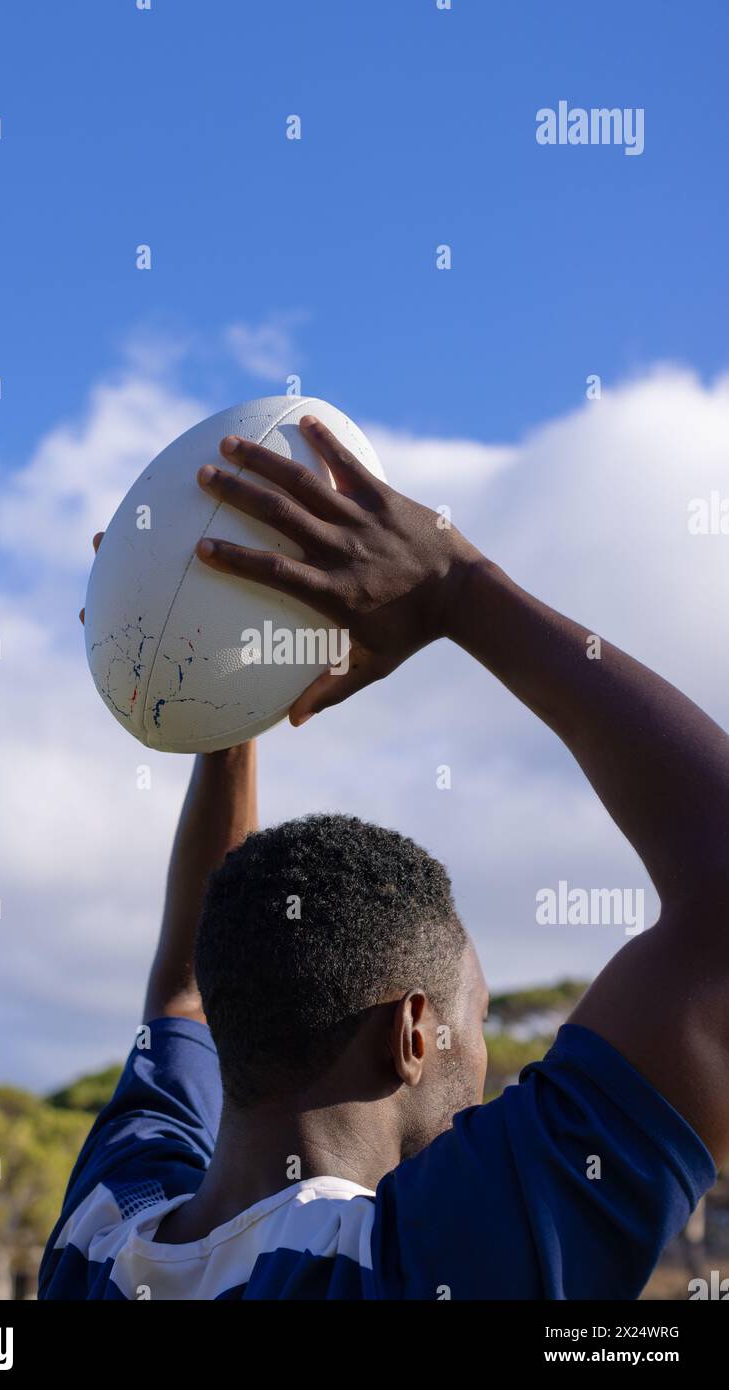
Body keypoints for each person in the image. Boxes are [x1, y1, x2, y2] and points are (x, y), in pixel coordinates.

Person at [41, 416, 728, 1300]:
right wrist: (451, 585)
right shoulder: (432, 1264)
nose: (483, 1071)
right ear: (412, 1033)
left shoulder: (98, 1238)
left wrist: (217, 685)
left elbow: (184, 993)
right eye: (471, 1024)